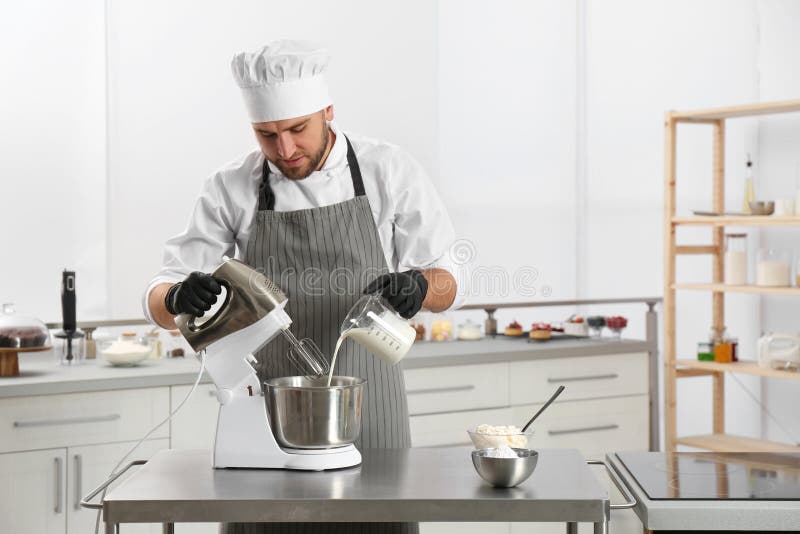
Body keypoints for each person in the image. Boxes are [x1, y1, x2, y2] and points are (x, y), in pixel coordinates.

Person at [142, 40, 460, 533]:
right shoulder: (232, 185)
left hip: (369, 404)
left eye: (297, 129)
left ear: (328, 111)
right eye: (267, 135)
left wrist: (419, 286)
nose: (285, 150)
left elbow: (448, 282)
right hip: (270, 413)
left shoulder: (388, 170)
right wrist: (179, 298)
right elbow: (162, 294)